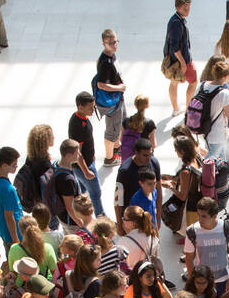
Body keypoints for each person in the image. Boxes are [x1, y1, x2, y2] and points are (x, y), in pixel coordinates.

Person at [197, 60, 229, 163]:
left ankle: (224, 166)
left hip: (204, 127)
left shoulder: (202, 85)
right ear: (224, 77)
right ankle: (210, 175)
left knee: (220, 151)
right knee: (211, 158)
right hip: (217, 133)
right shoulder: (224, 93)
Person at [94, 30, 127, 167]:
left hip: (117, 99)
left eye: (115, 42)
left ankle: (116, 147)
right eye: (111, 43)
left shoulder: (110, 56)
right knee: (112, 130)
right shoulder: (106, 62)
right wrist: (119, 88)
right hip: (112, 102)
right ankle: (109, 158)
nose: (115, 45)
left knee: (120, 123)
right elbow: (101, 84)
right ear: (104, 43)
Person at [69, 93, 105, 219]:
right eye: (90, 107)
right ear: (81, 107)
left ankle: (82, 213)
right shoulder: (78, 125)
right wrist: (86, 170)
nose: (93, 110)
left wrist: (92, 154)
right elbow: (78, 153)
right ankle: (101, 218)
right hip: (84, 166)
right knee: (95, 193)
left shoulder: (82, 118)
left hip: (86, 163)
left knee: (83, 191)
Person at [115, 138, 163, 230]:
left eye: (150, 154)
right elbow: (118, 198)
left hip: (149, 219)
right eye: (145, 155)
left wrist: (158, 218)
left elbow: (159, 190)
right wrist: (120, 225)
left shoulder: (154, 163)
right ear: (136, 153)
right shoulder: (124, 170)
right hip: (132, 220)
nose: (149, 158)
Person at [162, 0, 196, 116]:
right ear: (177, 8)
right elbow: (174, 46)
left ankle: (176, 109)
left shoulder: (176, 19)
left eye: (188, 8)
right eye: (185, 8)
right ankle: (188, 109)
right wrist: (183, 63)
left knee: (173, 82)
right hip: (184, 59)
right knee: (193, 82)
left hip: (172, 60)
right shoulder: (177, 23)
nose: (188, 10)